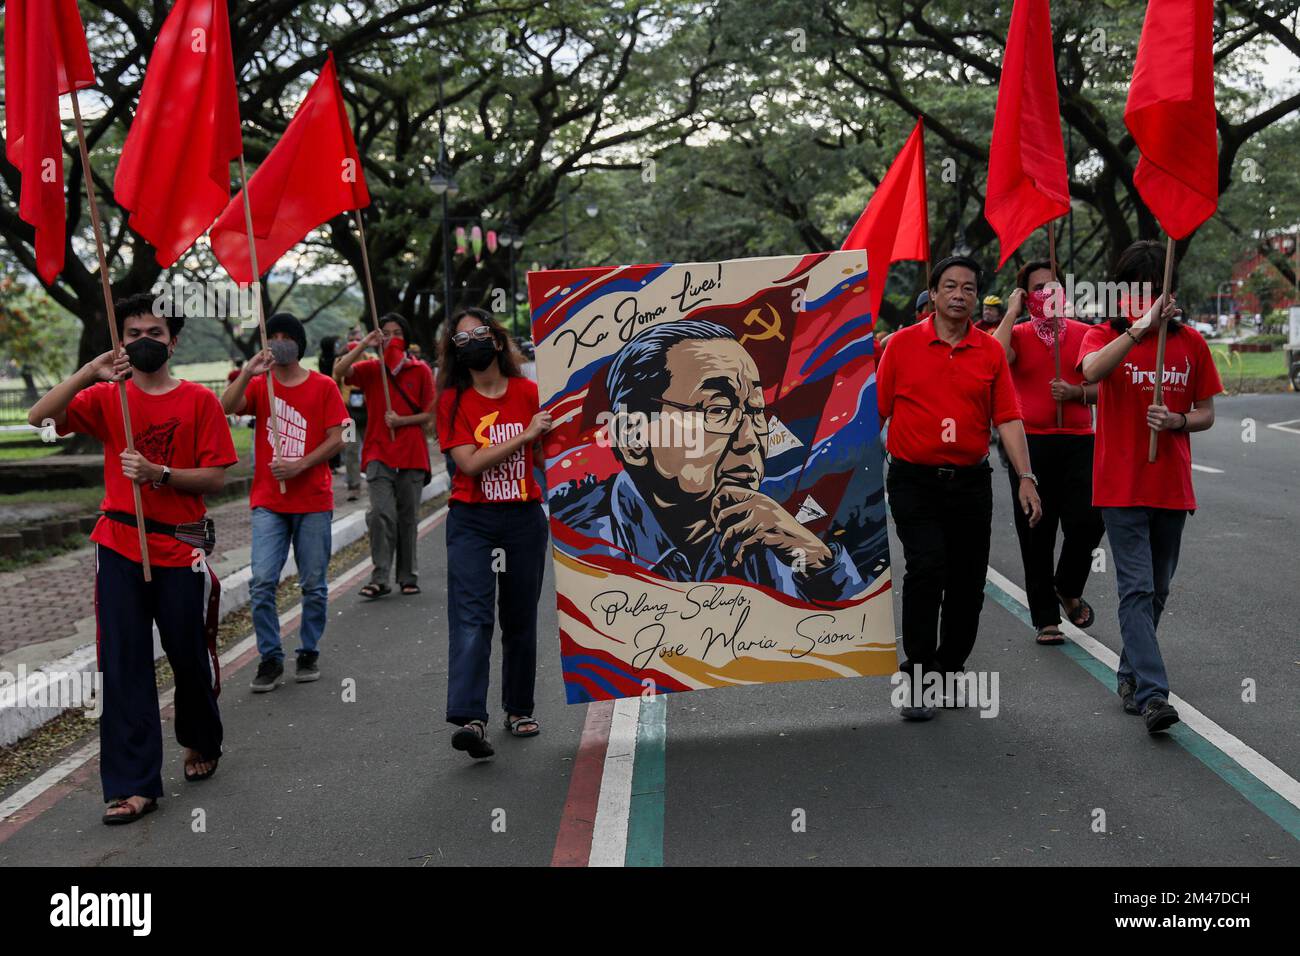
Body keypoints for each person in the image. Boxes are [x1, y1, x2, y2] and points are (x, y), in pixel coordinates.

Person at [28, 293, 236, 825]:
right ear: (121, 341)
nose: (146, 342)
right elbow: (38, 416)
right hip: (119, 544)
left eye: (156, 333)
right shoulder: (106, 397)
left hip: (181, 543)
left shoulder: (198, 402)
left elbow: (217, 476)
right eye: (134, 333)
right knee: (123, 666)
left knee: (187, 653)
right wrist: (91, 371)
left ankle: (201, 738)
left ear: (175, 341)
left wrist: (158, 475)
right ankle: (133, 784)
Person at [552, 319, 868, 601]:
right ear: (633, 436)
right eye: (717, 409)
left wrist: (820, 565)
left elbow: (851, 633)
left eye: (756, 410)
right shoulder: (582, 548)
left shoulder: (773, 535)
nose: (749, 440)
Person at [876, 255, 1043, 721]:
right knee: (927, 567)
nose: (959, 295)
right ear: (932, 293)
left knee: (968, 583)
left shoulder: (990, 352)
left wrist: (1026, 477)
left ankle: (949, 670)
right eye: (949, 286)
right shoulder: (901, 346)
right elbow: (877, 413)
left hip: (971, 482)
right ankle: (918, 678)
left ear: (976, 297)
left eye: (968, 288)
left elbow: (1008, 418)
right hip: (913, 480)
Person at [1078, 240, 1221, 735]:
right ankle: (1154, 694)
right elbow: (1090, 373)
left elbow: (1206, 412)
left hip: (1171, 486)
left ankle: (1129, 672)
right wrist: (1139, 331)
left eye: (1157, 292)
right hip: (1119, 488)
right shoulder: (1104, 336)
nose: (1150, 302)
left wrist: (1178, 419)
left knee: (1157, 589)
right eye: (1138, 294)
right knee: (1135, 588)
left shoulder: (1192, 344)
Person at [435, 307, 550, 759]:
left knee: (520, 618)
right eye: (461, 340)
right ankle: (470, 718)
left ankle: (518, 707)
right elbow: (469, 463)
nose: (472, 343)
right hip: (472, 522)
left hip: (523, 518)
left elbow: (547, 457)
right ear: (455, 354)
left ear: (498, 341)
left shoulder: (529, 393)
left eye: (479, 334)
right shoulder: (453, 402)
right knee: (471, 618)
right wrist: (525, 436)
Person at [221, 313, 347, 692]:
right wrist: (248, 371)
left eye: (285, 336)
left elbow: (340, 435)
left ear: (298, 342)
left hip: (312, 500)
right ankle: (270, 657)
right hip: (268, 503)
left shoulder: (323, 386)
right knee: (262, 582)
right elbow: (227, 406)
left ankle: (308, 650)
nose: (279, 342)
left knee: (313, 584)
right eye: (272, 336)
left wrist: (302, 465)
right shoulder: (261, 386)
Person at [991, 282, 1107, 645]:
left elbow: (1107, 386)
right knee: (1036, 530)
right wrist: (1011, 312)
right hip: (1030, 445)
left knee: (1089, 521)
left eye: (1054, 288)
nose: (1048, 297)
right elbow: (992, 356)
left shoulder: (1085, 333)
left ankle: (1067, 586)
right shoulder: (1020, 334)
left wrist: (1077, 393)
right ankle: (1046, 618)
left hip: (1080, 442)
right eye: (1039, 289)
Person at [334, 313, 434, 598]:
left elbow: (430, 415)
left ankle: (407, 576)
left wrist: (402, 421)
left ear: (406, 337)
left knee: (407, 518)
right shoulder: (371, 369)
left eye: (397, 332)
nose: (391, 338)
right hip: (378, 453)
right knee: (380, 514)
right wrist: (365, 342)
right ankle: (380, 577)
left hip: (413, 456)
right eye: (385, 333)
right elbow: (340, 371)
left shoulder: (421, 371)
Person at [336, 326, 367, 501]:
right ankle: (354, 486)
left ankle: (376, 480)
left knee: (372, 448)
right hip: (348, 415)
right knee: (350, 451)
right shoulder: (341, 363)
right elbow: (335, 382)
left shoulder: (370, 361)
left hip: (369, 413)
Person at [317, 335, 344, 473]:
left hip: (324, 396)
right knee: (338, 429)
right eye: (335, 344)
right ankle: (336, 462)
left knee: (329, 431)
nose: (337, 346)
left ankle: (332, 463)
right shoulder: (335, 359)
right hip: (336, 393)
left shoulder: (321, 358)